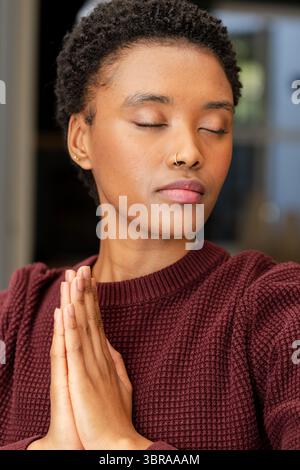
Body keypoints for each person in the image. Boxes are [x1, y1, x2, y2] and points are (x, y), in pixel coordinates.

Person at [1, 0, 300, 451]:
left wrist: (120, 444)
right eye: (151, 121)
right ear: (82, 140)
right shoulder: (17, 319)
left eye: (214, 127)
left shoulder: (273, 310)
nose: (189, 152)